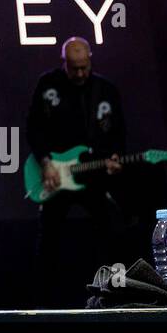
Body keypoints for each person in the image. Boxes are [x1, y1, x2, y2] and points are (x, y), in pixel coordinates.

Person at [26, 36, 126, 307]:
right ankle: (42, 305)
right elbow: (33, 128)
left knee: (111, 231)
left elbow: (119, 132)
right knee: (49, 241)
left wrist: (115, 156)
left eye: (84, 67)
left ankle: (111, 298)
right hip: (56, 176)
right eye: (74, 68)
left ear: (90, 59)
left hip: (93, 176)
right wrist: (45, 162)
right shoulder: (48, 85)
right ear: (64, 64)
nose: (80, 73)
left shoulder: (105, 90)